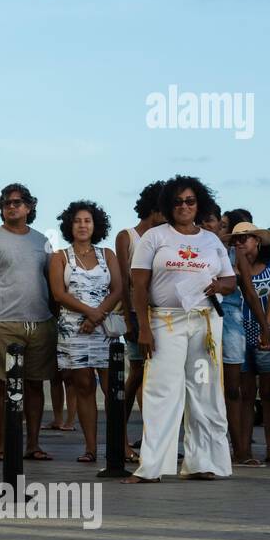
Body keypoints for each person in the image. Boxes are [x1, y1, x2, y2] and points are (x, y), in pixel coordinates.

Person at [123, 176, 235, 483]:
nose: (184, 207)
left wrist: (219, 285)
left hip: (205, 323)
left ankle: (204, 463)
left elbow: (231, 280)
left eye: (190, 201)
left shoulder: (211, 240)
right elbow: (139, 285)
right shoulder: (155, 237)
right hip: (165, 322)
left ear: (199, 203)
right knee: (162, 391)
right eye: (177, 202)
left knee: (204, 392)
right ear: (167, 206)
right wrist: (143, 327)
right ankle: (152, 468)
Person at [0, 183, 57, 463]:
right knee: (2, 384)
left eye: (18, 202)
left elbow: (52, 280)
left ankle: (33, 444)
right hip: (4, 322)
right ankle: (3, 445)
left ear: (29, 207)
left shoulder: (42, 241)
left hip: (41, 321)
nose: (12, 206)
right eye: (7, 202)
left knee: (34, 385)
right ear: (1, 208)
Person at [48, 201, 122, 463]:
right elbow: (58, 293)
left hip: (103, 328)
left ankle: (121, 445)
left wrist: (96, 315)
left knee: (113, 388)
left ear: (95, 225)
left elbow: (118, 290)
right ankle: (90, 448)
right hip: (73, 330)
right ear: (70, 225)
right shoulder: (60, 257)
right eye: (77, 220)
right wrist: (88, 313)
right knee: (84, 387)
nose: (82, 225)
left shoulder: (107, 254)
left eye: (87, 220)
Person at [115, 181, 166, 461]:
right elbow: (124, 281)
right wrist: (127, 318)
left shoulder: (164, 236)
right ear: (154, 209)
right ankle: (118, 437)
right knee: (135, 374)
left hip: (162, 312)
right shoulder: (128, 236)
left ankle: (153, 439)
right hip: (135, 312)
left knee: (155, 378)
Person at [228, 222, 270, 465]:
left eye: (245, 238)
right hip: (240, 332)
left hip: (268, 332)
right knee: (246, 394)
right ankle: (244, 449)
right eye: (236, 239)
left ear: (257, 241)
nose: (240, 243)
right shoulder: (230, 269)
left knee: (268, 394)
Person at [218, 208, 254, 460]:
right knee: (202, 388)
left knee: (233, 388)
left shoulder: (234, 253)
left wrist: (263, 325)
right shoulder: (197, 251)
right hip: (200, 316)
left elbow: (250, 291)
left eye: (222, 226)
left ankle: (241, 450)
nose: (217, 229)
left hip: (231, 319)